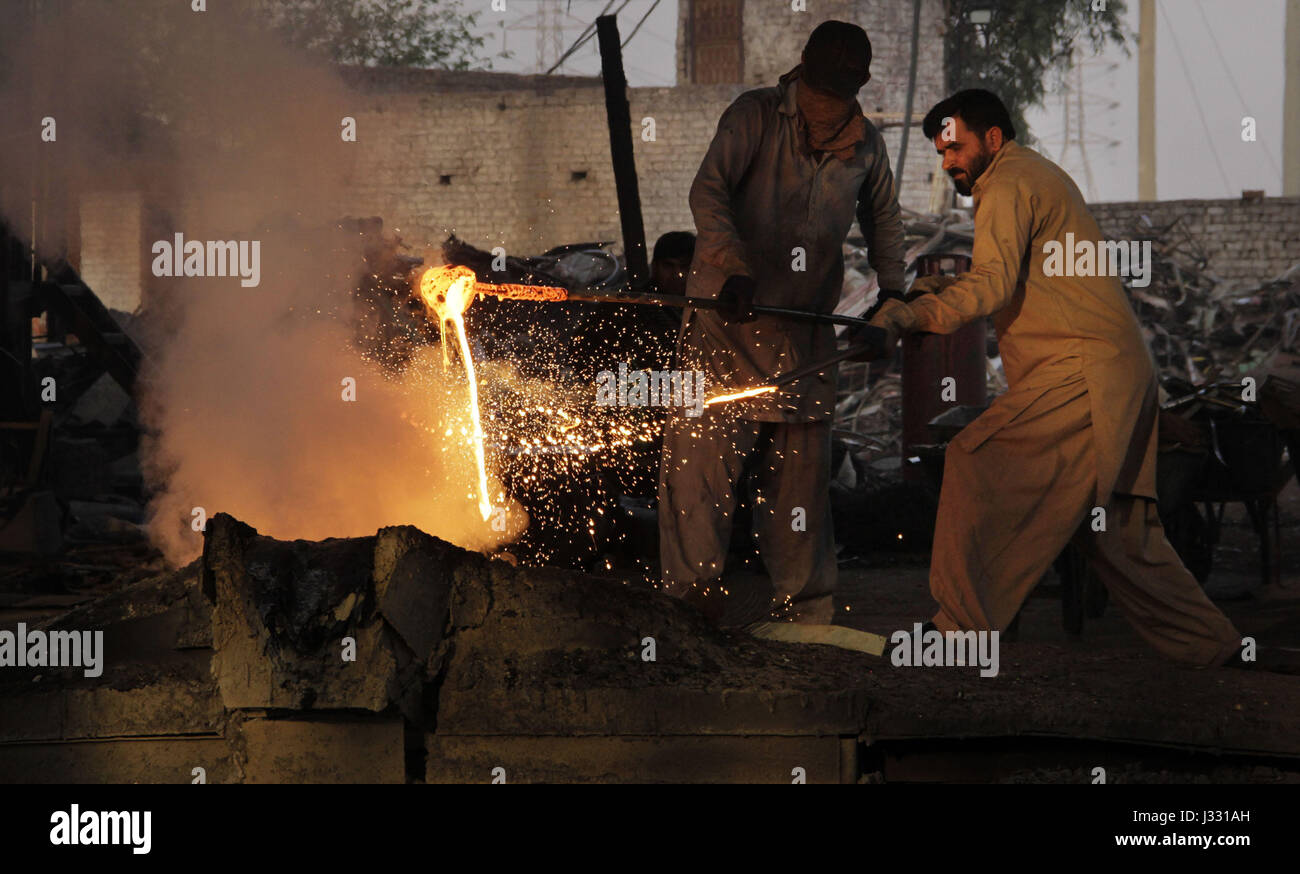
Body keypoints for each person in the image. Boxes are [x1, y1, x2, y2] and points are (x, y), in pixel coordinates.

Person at [866, 89, 1243, 666]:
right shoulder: (1031, 176)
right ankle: (1215, 650)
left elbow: (991, 284)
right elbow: (1014, 278)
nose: (949, 163)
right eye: (942, 155)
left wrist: (911, 314)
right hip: (1112, 371)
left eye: (956, 148)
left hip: (1080, 371)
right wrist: (934, 291)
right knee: (1116, 534)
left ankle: (959, 632)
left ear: (993, 138)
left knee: (973, 459)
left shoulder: (1008, 183)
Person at [659, 20, 906, 625]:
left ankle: (805, 614)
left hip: (803, 338)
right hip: (727, 328)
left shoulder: (867, 147)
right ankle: (689, 608)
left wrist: (894, 300)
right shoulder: (754, 117)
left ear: (860, 83)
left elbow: (886, 224)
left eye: (842, 87)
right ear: (804, 67)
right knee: (699, 479)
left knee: (799, 490)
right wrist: (733, 267)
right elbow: (708, 192)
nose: (826, 106)